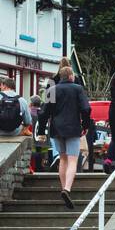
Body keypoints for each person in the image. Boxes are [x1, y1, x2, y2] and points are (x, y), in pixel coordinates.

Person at [36, 65, 91, 208]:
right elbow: (86, 108)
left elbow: (44, 112)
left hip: (56, 129)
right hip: (73, 128)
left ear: (60, 77)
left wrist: (41, 131)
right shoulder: (78, 89)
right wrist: (85, 125)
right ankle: (67, 189)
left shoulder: (52, 89)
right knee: (73, 160)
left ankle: (63, 188)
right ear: (71, 76)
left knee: (63, 159)